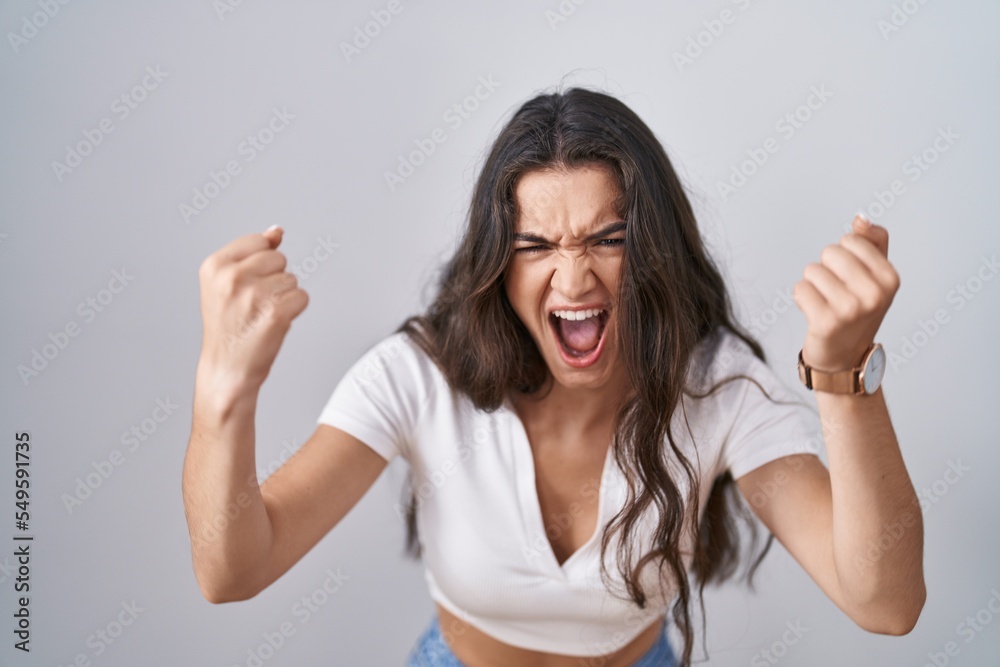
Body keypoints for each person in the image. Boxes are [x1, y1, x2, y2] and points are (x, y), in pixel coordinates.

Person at [182, 86, 925, 667]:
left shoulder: (717, 386)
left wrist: (844, 373)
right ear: (497, 265)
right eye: (535, 244)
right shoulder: (419, 375)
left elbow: (885, 602)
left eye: (608, 237)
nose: (573, 276)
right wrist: (227, 390)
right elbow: (234, 568)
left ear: (656, 248)